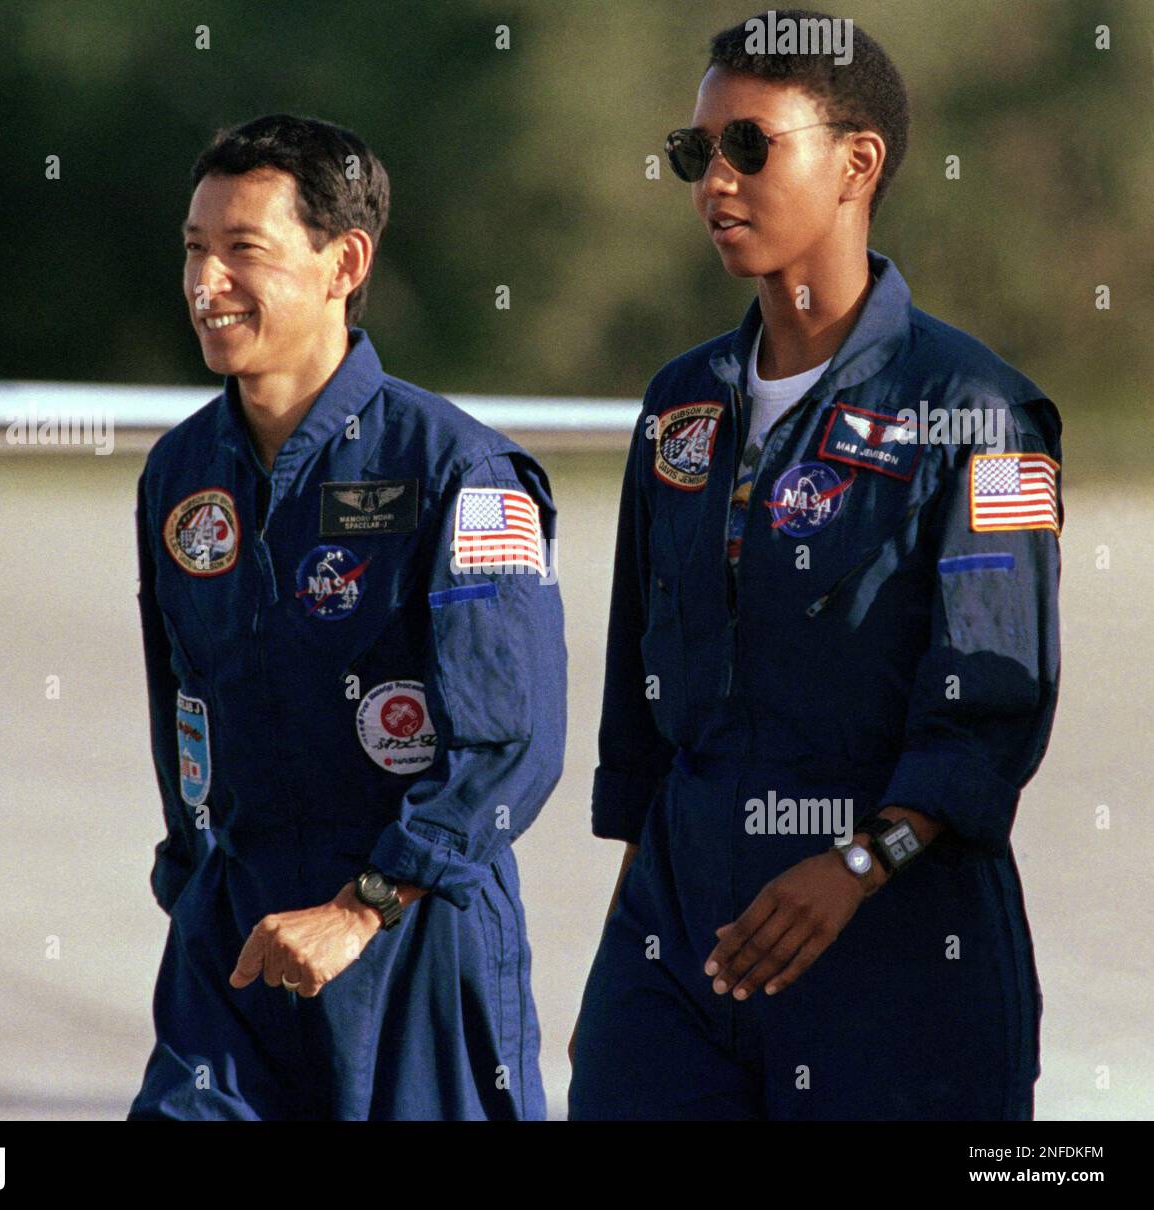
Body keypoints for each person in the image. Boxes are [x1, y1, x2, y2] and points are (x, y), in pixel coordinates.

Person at [568, 11, 1062, 1120]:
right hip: (684, 942)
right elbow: (636, 688)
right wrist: (639, 931)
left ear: (857, 162)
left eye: (750, 146)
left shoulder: (976, 411)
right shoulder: (680, 404)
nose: (713, 183)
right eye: (696, 153)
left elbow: (991, 701)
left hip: (897, 954)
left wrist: (856, 863)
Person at [127, 114, 566, 1120]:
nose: (205, 283)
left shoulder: (460, 471)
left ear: (342, 262)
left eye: (244, 251)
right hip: (234, 943)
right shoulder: (180, 476)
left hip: (412, 934)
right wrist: (195, 886)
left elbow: (511, 746)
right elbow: (181, 710)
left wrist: (363, 905)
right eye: (195, 249)